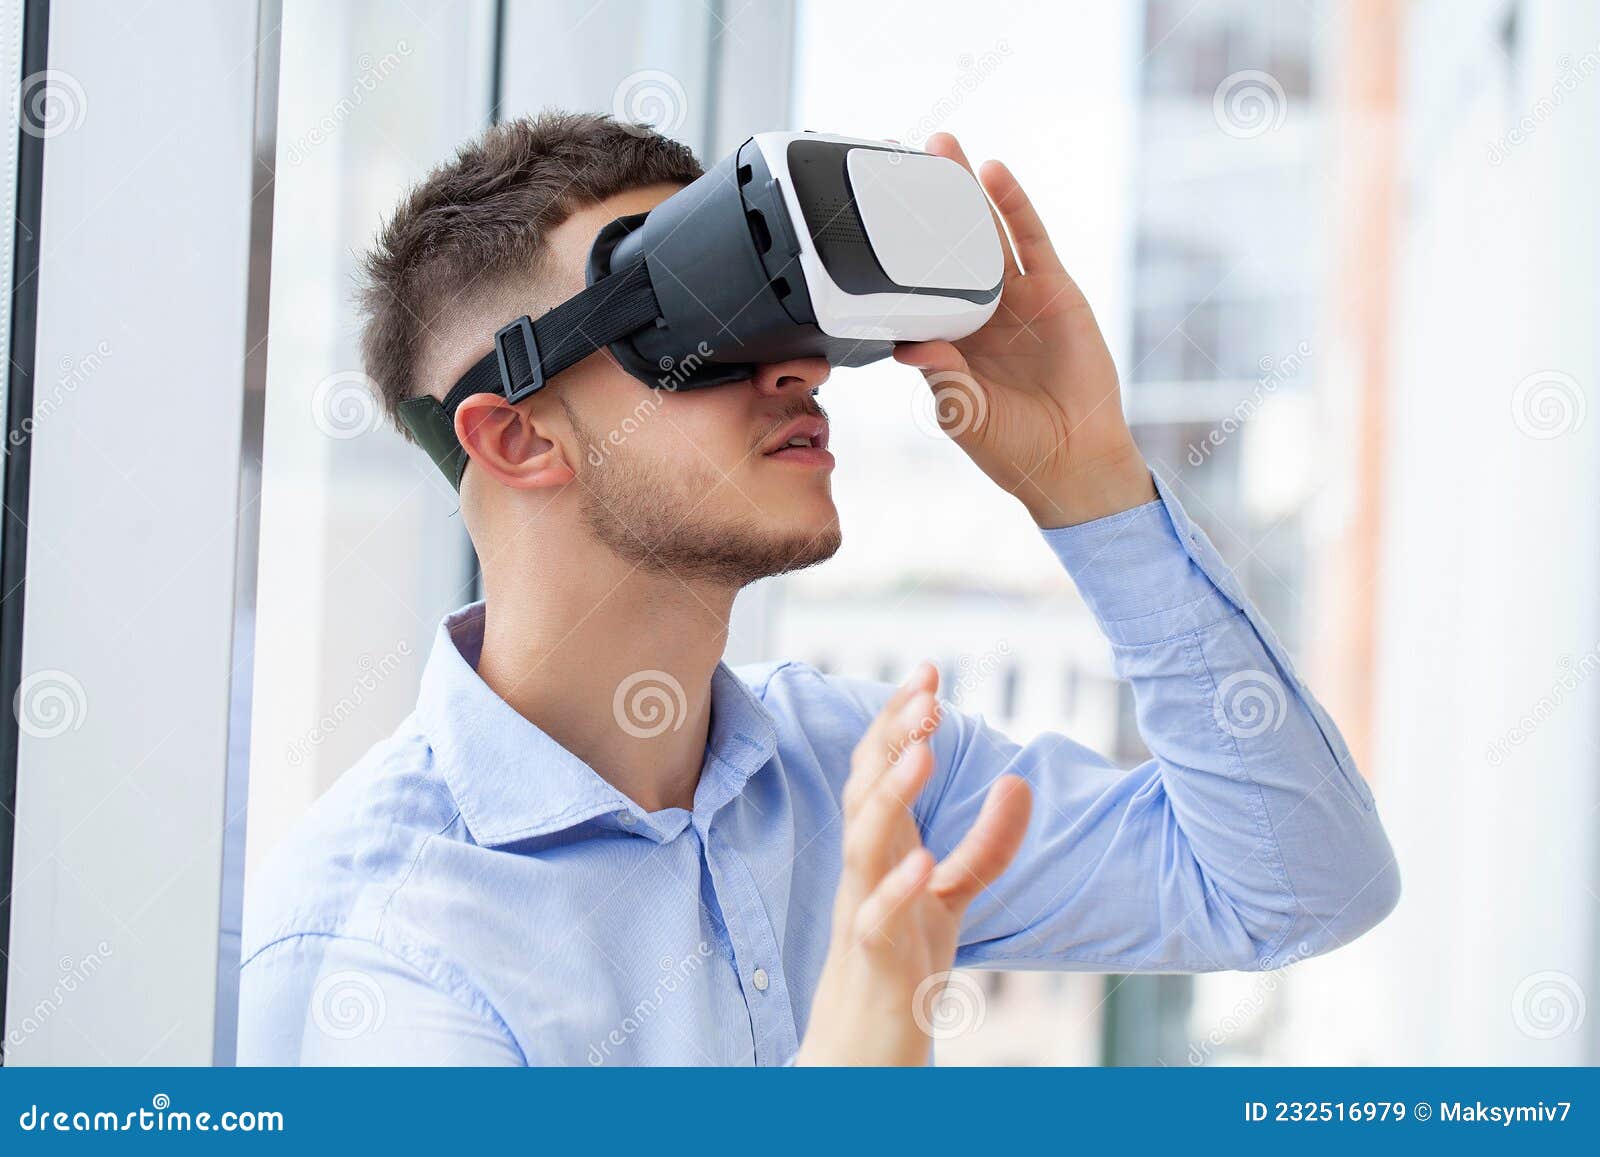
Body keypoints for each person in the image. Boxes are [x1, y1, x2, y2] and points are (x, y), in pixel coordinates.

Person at [238, 113, 1398, 1066]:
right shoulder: (391, 949)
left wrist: (1089, 478)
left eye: (782, 305)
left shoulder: (853, 772)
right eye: (699, 316)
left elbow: (1295, 885)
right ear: (517, 438)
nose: (794, 363)